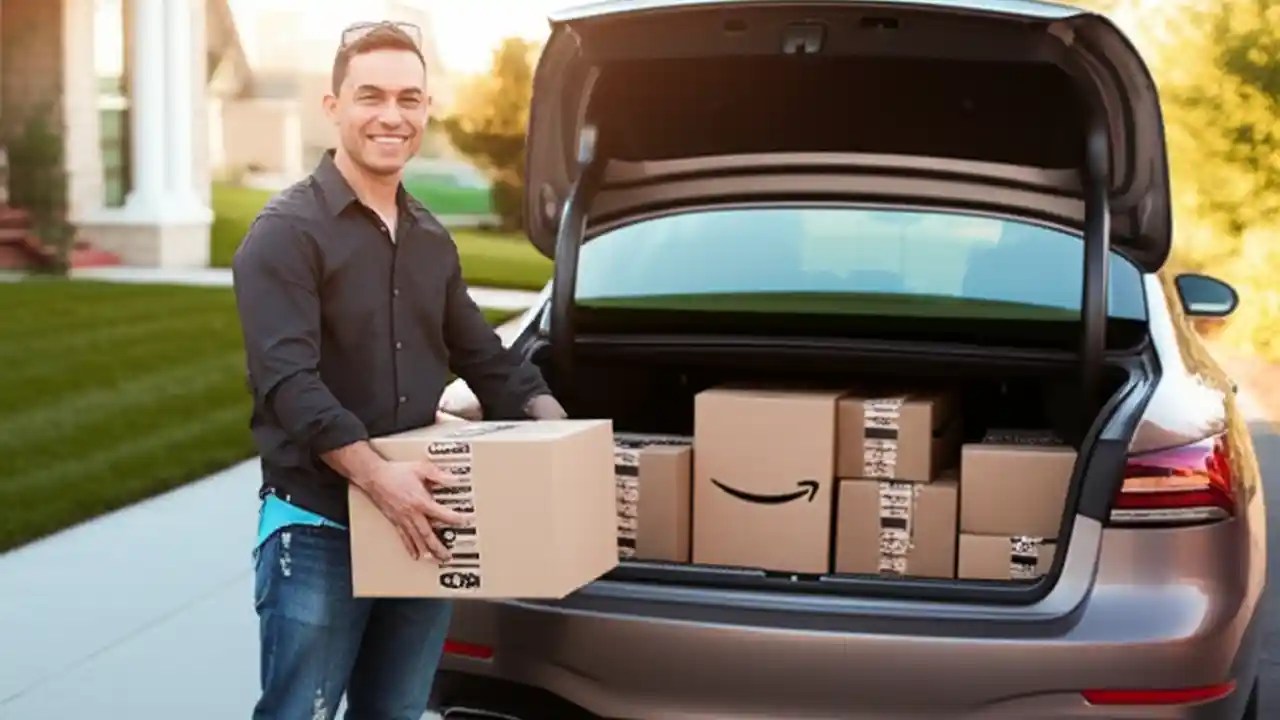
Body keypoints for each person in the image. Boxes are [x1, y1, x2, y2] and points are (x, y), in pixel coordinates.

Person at [230, 20, 565, 720]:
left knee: (398, 713)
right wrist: (382, 481)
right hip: (319, 527)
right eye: (371, 95)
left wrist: (562, 439)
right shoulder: (285, 234)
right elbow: (290, 384)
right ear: (333, 107)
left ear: (426, 110)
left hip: (419, 526)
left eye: (409, 99)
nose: (392, 115)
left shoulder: (429, 240)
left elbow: (487, 358)